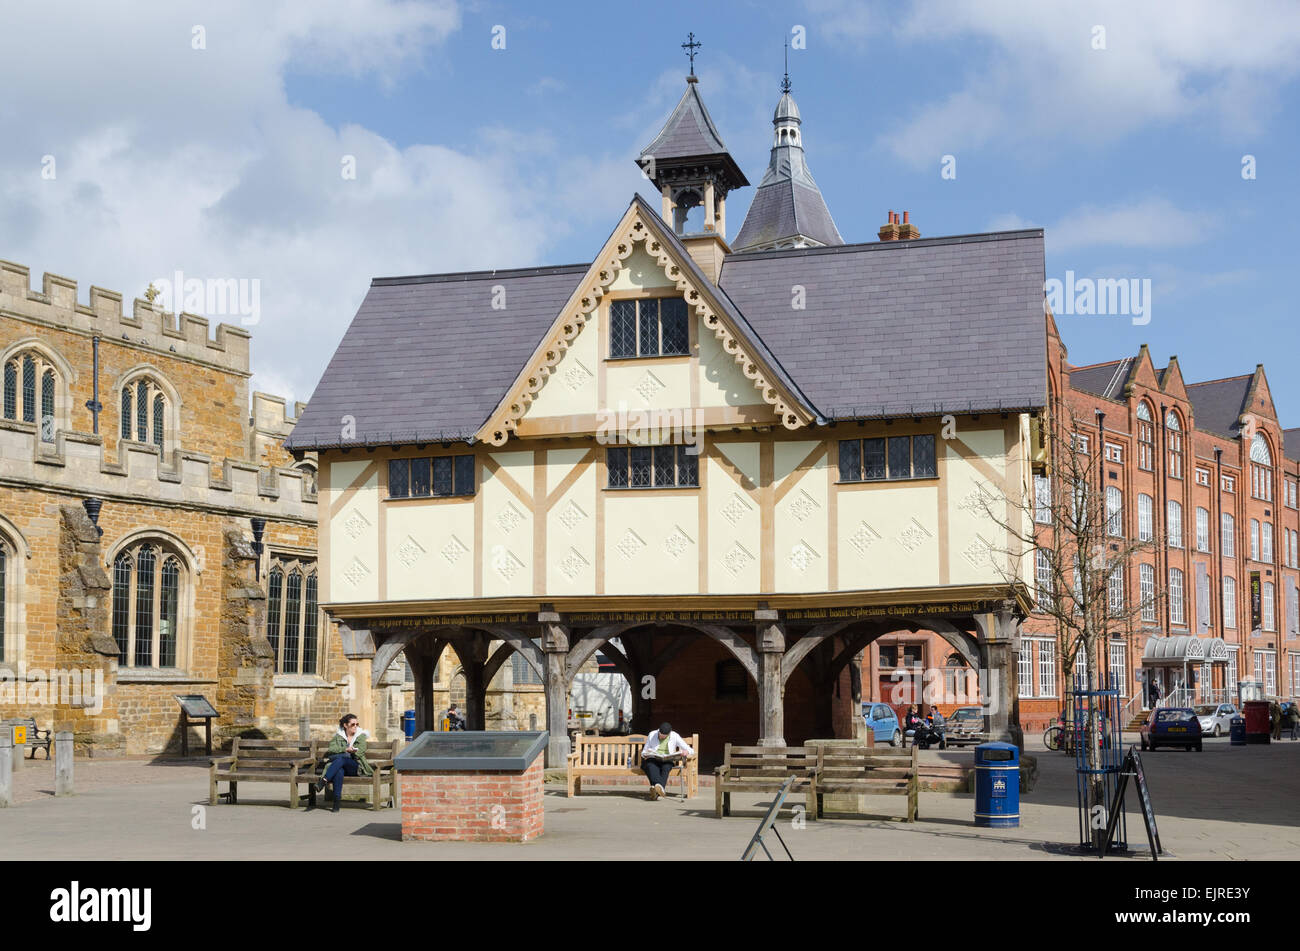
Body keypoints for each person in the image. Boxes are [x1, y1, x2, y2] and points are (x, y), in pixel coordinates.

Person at [317, 713, 373, 812]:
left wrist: (350, 752)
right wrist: (345, 749)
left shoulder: (361, 736)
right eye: (353, 724)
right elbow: (331, 749)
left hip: (356, 767)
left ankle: (324, 780)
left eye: (357, 724)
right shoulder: (338, 736)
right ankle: (336, 803)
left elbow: (361, 751)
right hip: (341, 766)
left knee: (342, 760)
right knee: (339, 771)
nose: (355, 726)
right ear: (345, 725)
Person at [639, 722, 693, 800]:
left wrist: (687, 752)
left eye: (664, 737)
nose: (661, 738)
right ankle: (661, 789)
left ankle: (656, 790)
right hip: (653, 758)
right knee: (651, 765)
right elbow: (644, 752)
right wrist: (647, 754)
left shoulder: (675, 736)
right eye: (660, 736)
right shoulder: (652, 734)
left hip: (667, 760)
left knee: (666, 767)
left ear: (669, 734)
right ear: (658, 732)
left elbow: (690, 750)